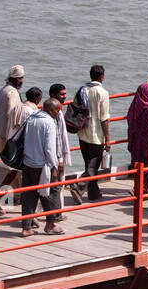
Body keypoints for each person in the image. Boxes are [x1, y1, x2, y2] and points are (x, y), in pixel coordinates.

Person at [18, 98, 61, 235]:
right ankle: (50, 224)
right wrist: (54, 166)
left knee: (28, 195)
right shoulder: (49, 122)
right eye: (57, 110)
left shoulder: (31, 118)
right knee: (51, 194)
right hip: (43, 166)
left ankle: (26, 227)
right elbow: (49, 149)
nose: (59, 113)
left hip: (28, 163)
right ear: (50, 110)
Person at [0, 66, 25, 217]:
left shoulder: (3, 90)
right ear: (15, 79)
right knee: (9, 171)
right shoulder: (11, 93)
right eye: (20, 78)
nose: (22, 81)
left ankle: (12, 200)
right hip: (10, 138)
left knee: (12, 171)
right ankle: (3, 205)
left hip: (4, 136)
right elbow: (13, 116)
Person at [75, 67, 111, 201]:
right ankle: (78, 187)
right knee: (93, 166)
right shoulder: (102, 93)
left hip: (82, 132)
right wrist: (107, 138)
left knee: (88, 165)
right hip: (96, 134)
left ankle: (93, 193)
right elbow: (104, 118)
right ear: (102, 76)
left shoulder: (82, 89)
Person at [127, 80, 148, 194]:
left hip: (135, 141)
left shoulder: (134, 106)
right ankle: (142, 189)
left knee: (139, 165)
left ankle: (139, 186)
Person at [46, 83, 74, 218]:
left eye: (65, 94)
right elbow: (56, 137)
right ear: (53, 95)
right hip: (56, 157)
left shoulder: (58, 111)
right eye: (62, 94)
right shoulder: (54, 113)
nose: (65, 97)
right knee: (56, 186)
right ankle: (56, 214)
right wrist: (60, 159)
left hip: (56, 156)